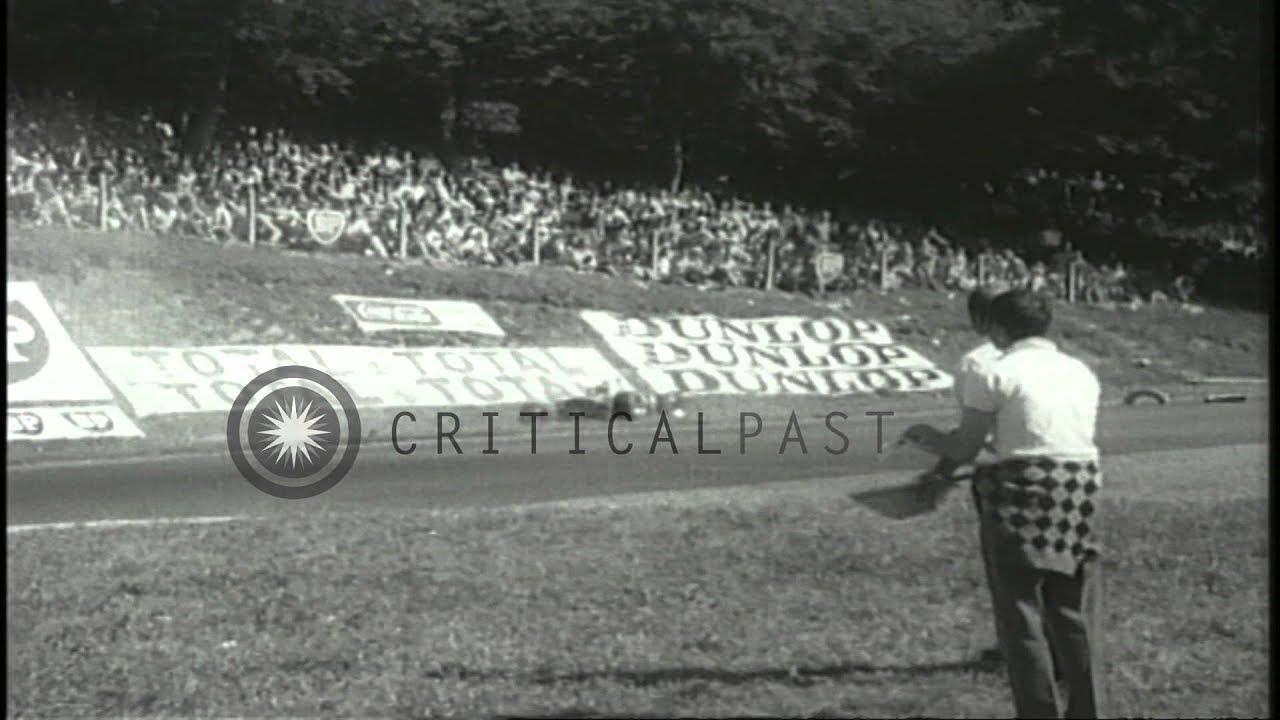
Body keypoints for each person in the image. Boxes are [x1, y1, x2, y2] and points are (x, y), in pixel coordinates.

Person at [901, 289, 1105, 719]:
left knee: (1020, 611)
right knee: (1072, 609)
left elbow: (966, 447)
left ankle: (1038, 712)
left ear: (996, 328)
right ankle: (1092, 710)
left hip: (1020, 487)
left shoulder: (993, 372)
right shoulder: (1080, 371)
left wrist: (924, 436)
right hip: (1081, 484)